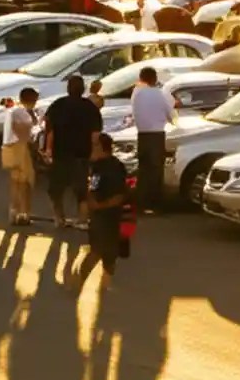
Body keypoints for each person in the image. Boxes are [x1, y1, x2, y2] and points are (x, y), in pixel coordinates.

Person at [44, 74, 103, 228]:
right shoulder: (90, 108)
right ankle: (82, 219)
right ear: (83, 89)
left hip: (60, 153)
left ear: (68, 88)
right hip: (82, 153)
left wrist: (48, 150)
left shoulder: (58, 105)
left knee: (56, 188)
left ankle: (59, 218)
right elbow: (95, 135)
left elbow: (50, 131)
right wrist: (94, 152)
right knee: (82, 189)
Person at [71, 133, 128, 292]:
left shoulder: (114, 168)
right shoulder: (95, 165)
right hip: (99, 218)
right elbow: (91, 187)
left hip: (110, 217)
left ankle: (104, 284)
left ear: (102, 148)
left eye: (94, 145)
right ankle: (80, 282)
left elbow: (120, 194)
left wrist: (100, 205)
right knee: (97, 251)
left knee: (108, 254)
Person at [131, 67, 175, 212]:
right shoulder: (160, 94)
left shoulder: (136, 93)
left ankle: (141, 203)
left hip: (141, 134)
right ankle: (154, 204)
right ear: (154, 79)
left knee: (143, 170)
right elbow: (171, 115)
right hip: (156, 135)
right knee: (156, 171)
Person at [1, 86, 40, 226]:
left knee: (15, 181)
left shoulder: (14, 111)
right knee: (26, 182)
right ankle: (24, 213)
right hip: (22, 149)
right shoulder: (24, 113)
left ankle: (14, 210)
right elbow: (25, 132)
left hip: (10, 148)